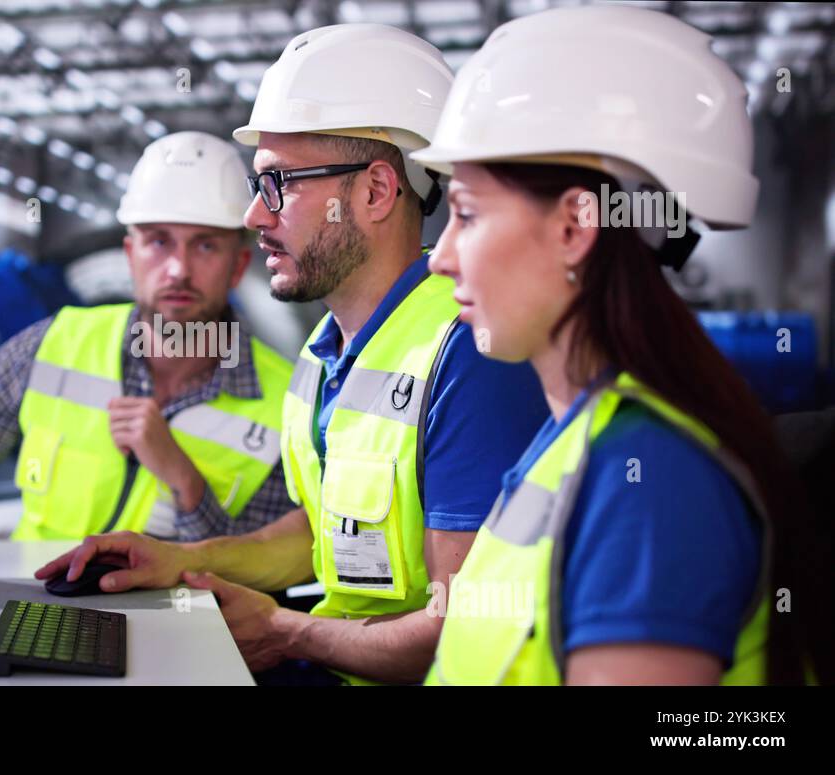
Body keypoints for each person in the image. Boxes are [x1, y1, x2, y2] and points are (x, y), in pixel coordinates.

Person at [35, 24, 549, 685]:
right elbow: (321, 534)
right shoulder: (323, 350)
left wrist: (286, 632)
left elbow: (467, 622)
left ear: (375, 191)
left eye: (278, 183)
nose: (253, 213)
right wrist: (178, 556)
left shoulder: (466, 353)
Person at [411, 4, 832, 684]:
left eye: (466, 213)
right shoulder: (570, 440)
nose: (442, 256)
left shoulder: (649, 481)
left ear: (578, 226)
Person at [0, 131, 296, 542]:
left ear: (237, 266)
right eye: (159, 242)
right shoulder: (55, 343)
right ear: (131, 256)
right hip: (30, 602)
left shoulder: (285, 407)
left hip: (174, 609)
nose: (178, 270)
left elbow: (258, 575)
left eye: (204, 246)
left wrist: (185, 482)